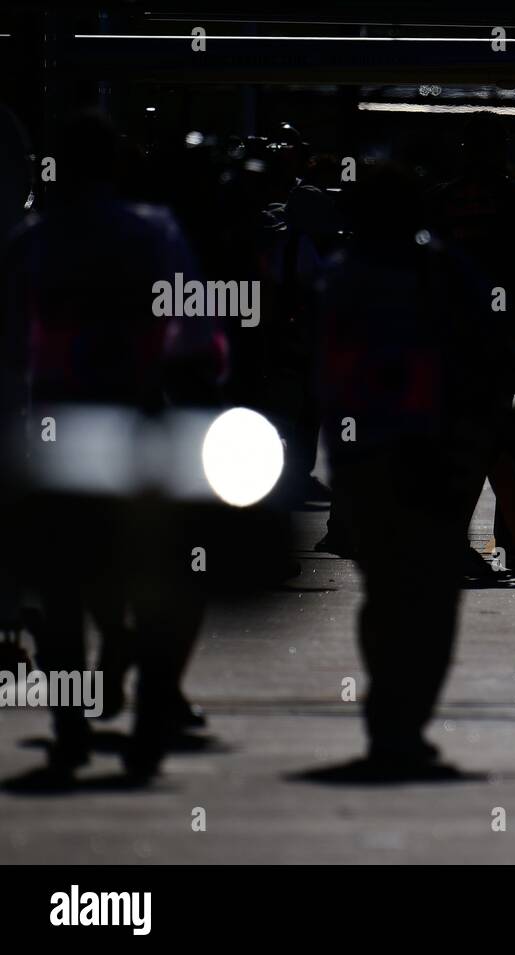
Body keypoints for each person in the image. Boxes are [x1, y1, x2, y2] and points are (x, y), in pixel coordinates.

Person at [1, 110, 225, 781]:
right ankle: (149, 727)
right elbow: (199, 338)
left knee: (61, 597)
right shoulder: (153, 234)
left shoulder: (31, 243)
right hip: (140, 428)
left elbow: (11, 348)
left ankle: (70, 728)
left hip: (56, 434)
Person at [316, 162, 462, 775]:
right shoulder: (443, 273)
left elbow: (322, 376)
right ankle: (401, 723)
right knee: (426, 599)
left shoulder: (339, 279)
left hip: (364, 461)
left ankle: (391, 721)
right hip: (423, 456)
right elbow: (478, 355)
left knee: (385, 595)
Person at [426, 114, 515, 576]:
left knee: (466, 442)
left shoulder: (441, 200)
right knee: (492, 439)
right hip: (497, 342)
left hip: (449, 340)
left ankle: (480, 540)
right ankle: (514, 542)